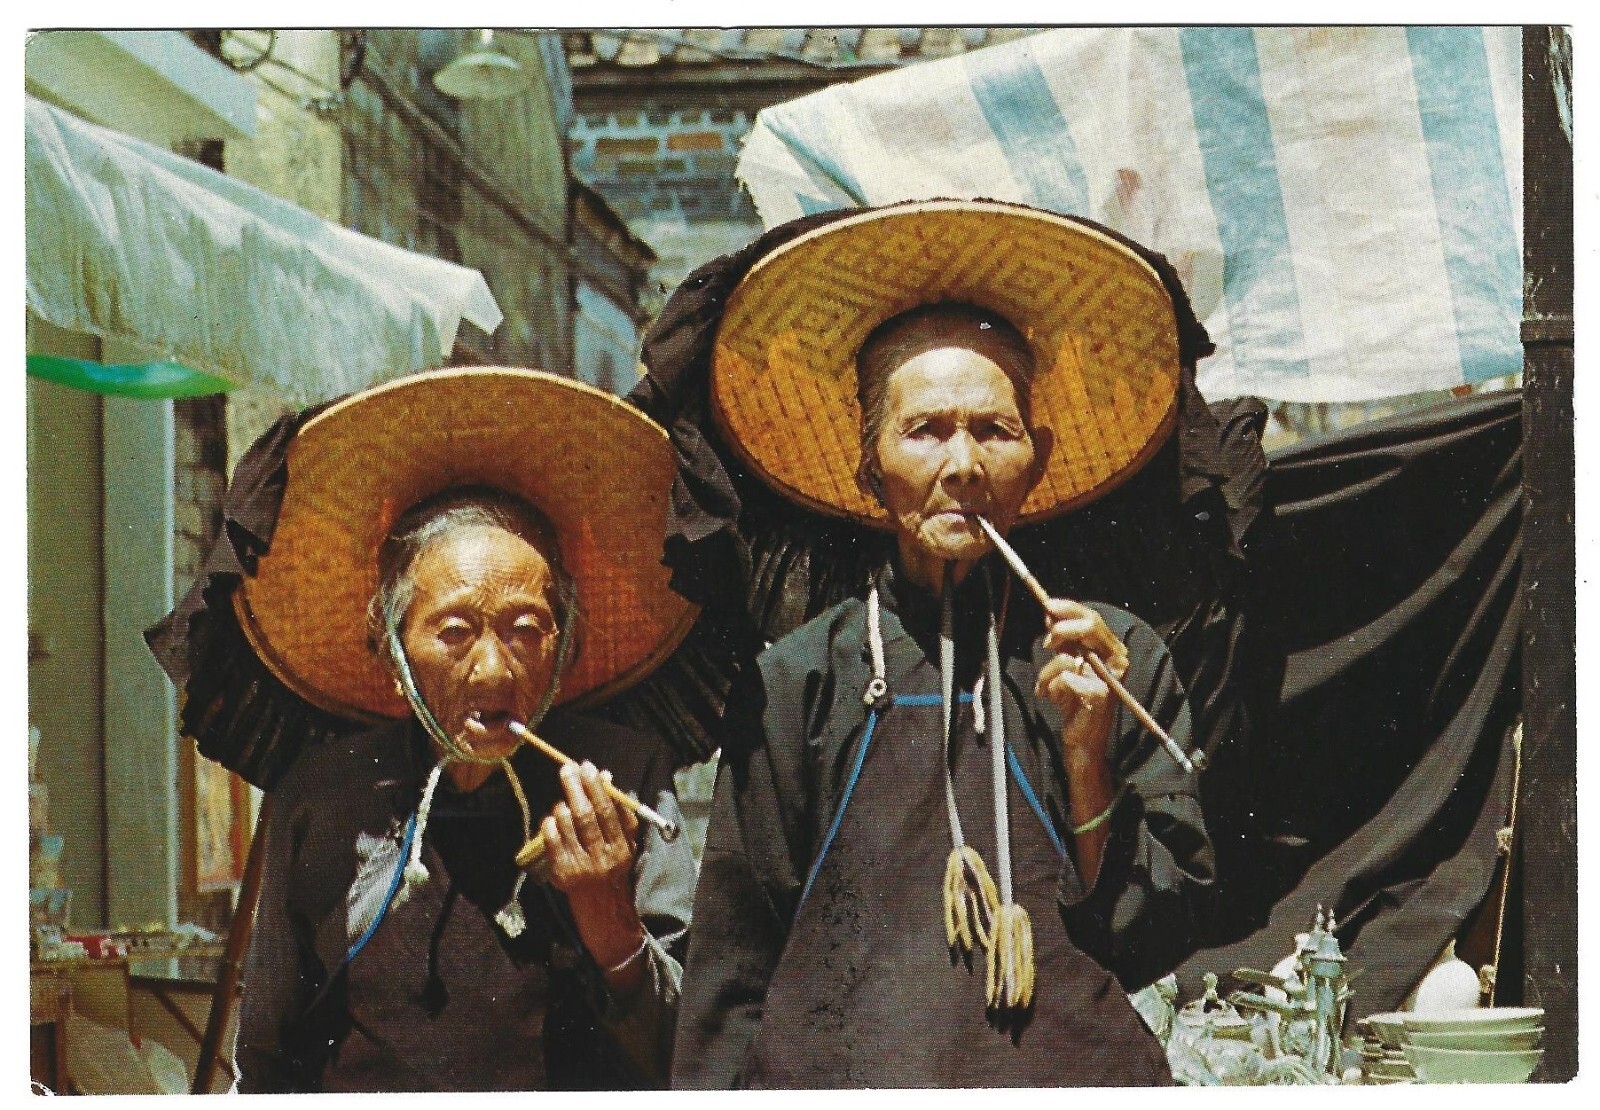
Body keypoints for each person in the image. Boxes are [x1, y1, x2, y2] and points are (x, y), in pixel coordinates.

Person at [672, 201, 1216, 1087]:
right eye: (924, 430)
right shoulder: (798, 680)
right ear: (869, 468)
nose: (961, 464)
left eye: (993, 431)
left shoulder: (1115, 658)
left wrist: (1088, 757)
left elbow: (1157, 933)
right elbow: (732, 972)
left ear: (1035, 461)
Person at [189, 368, 698, 1091]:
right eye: (455, 631)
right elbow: (268, 1054)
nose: (493, 668)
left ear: (568, 647)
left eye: (527, 630)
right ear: (391, 655)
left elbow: (694, 1055)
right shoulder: (324, 795)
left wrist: (607, 916)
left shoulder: (625, 781)